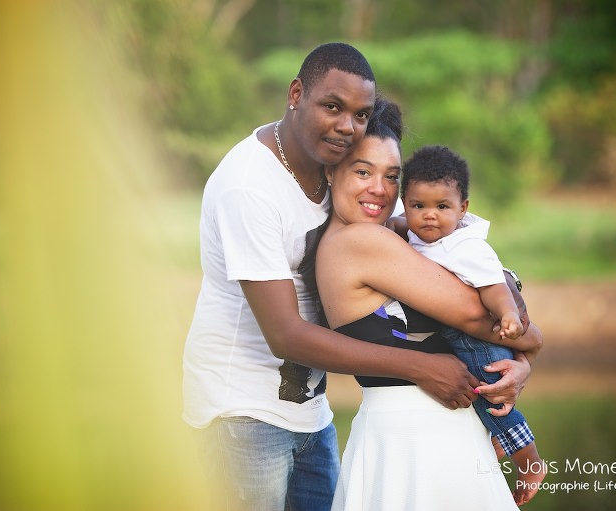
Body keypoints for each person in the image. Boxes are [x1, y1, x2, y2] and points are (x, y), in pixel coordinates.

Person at [183, 42, 532, 511]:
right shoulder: (250, 187)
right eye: (332, 107)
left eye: (361, 114)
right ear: (295, 94)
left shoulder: (337, 176)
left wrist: (505, 298)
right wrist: (423, 367)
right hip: (243, 411)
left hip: (310, 412)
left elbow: (434, 235)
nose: (347, 125)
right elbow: (286, 335)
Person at [314, 97, 543, 510]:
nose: (380, 190)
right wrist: (530, 348)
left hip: (427, 430)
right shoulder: (361, 240)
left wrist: (521, 357)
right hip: (418, 437)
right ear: (331, 170)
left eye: (391, 177)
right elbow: (478, 313)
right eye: (362, 171)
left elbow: (473, 269)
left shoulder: (392, 232)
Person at [401, 144, 546, 505]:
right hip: (456, 339)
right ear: (404, 204)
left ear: (463, 208)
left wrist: (510, 315)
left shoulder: (465, 246)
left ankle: (528, 459)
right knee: (482, 398)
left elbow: (495, 287)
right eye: (418, 206)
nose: (429, 216)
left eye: (442, 207)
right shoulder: (415, 239)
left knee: (492, 395)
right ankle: (498, 439)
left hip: (478, 342)